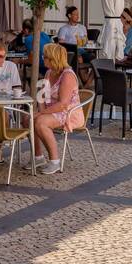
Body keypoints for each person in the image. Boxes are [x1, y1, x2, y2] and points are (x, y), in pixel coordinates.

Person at [33, 42, 83, 175]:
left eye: (45, 57)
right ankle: (38, 157)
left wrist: (41, 114)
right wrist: (39, 110)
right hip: (51, 110)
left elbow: (63, 104)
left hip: (68, 112)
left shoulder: (67, 75)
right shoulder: (49, 72)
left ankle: (54, 161)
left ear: (53, 59)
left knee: (40, 122)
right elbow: (42, 96)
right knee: (28, 119)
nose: (43, 59)